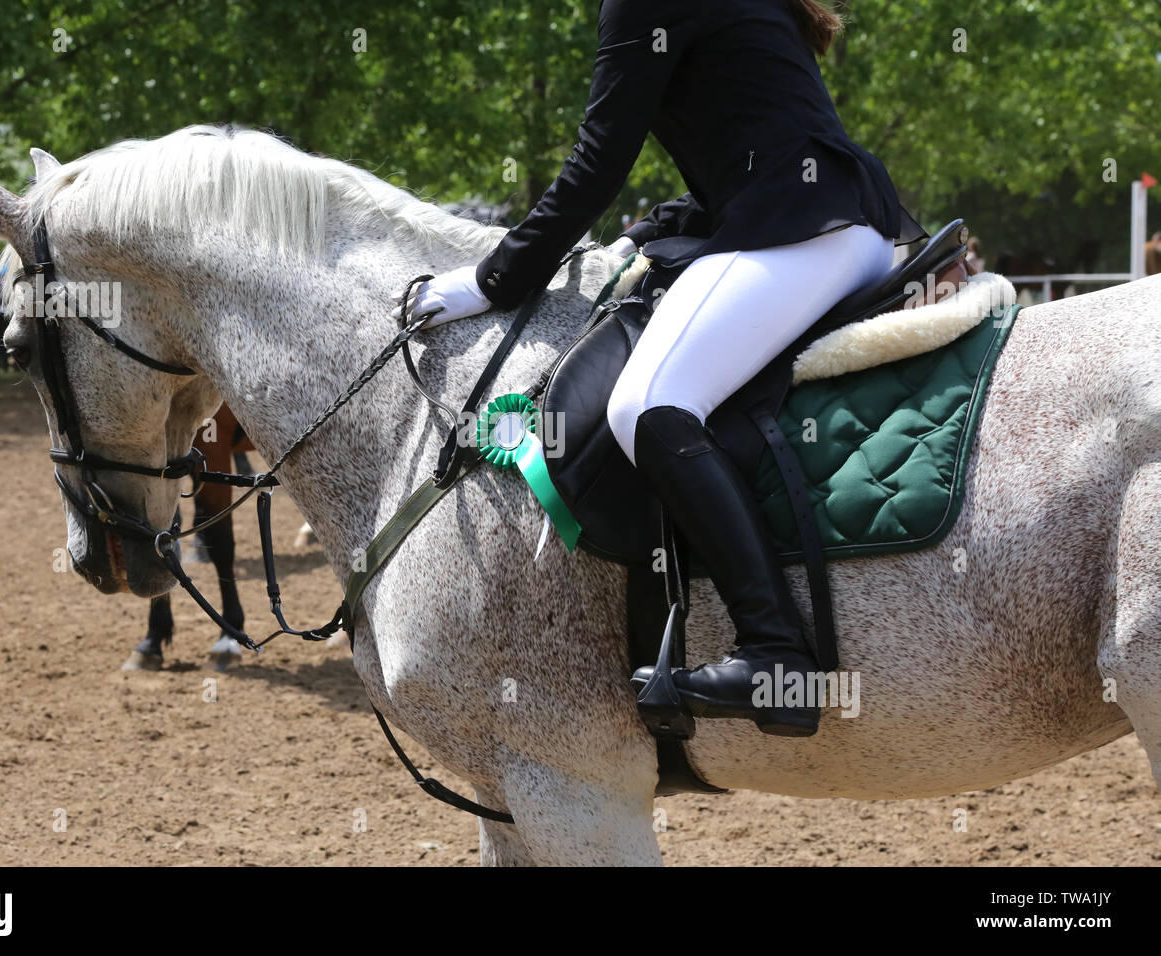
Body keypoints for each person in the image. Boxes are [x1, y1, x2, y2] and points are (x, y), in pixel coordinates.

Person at [394, 0, 927, 737]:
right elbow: (751, 129)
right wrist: (663, 225)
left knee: (647, 403)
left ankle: (777, 654)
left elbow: (598, 161)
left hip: (802, 232)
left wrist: (492, 280)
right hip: (840, 221)